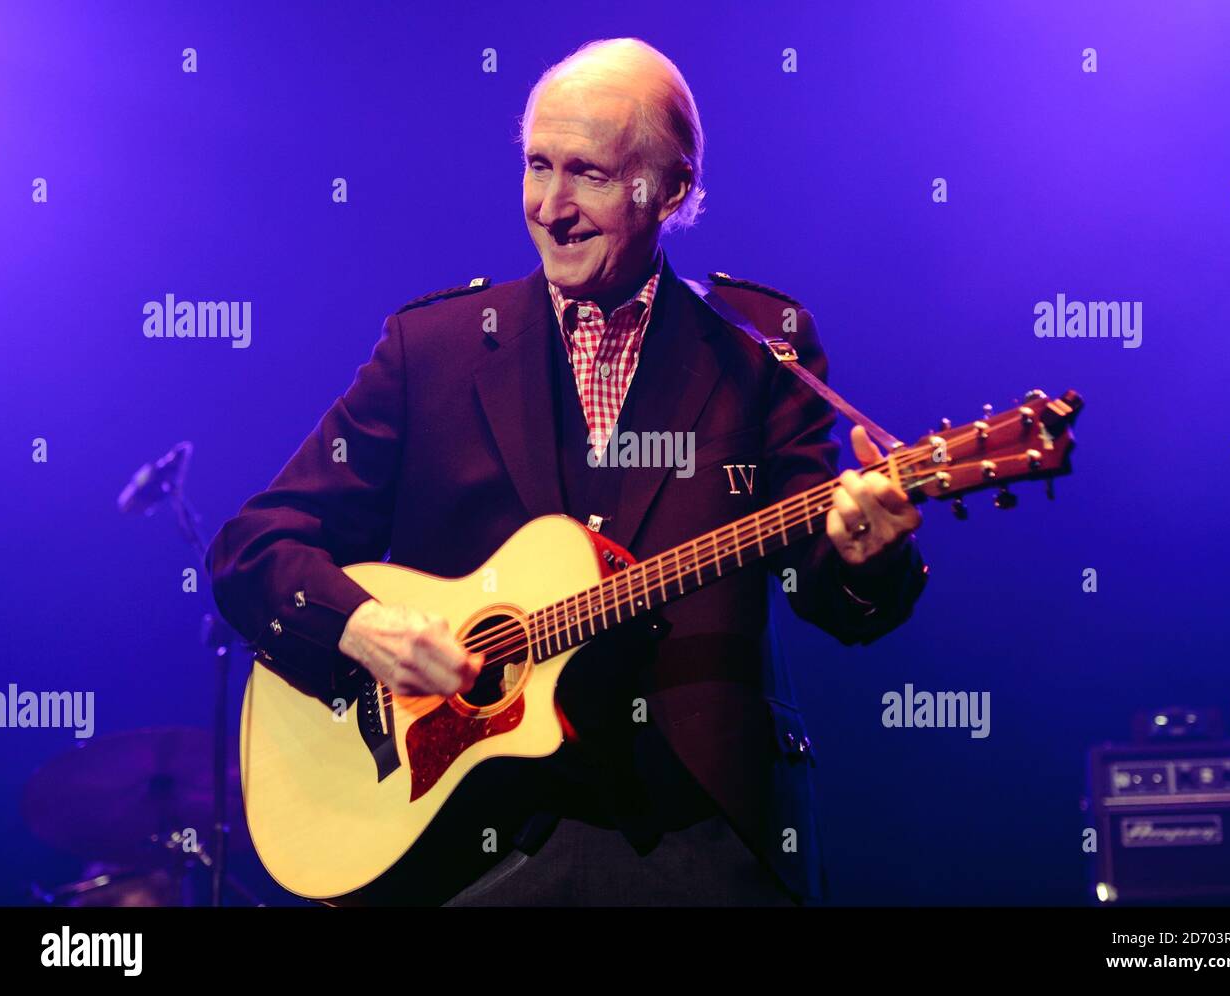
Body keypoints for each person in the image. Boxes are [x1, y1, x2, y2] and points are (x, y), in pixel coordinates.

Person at [208, 37, 928, 906]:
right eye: (536, 166)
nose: (551, 206)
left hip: (704, 836)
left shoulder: (760, 346)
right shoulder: (431, 351)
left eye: (587, 172)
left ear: (671, 187)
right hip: (468, 850)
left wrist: (863, 553)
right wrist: (360, 628)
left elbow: (825, 590)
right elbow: (254, 548)